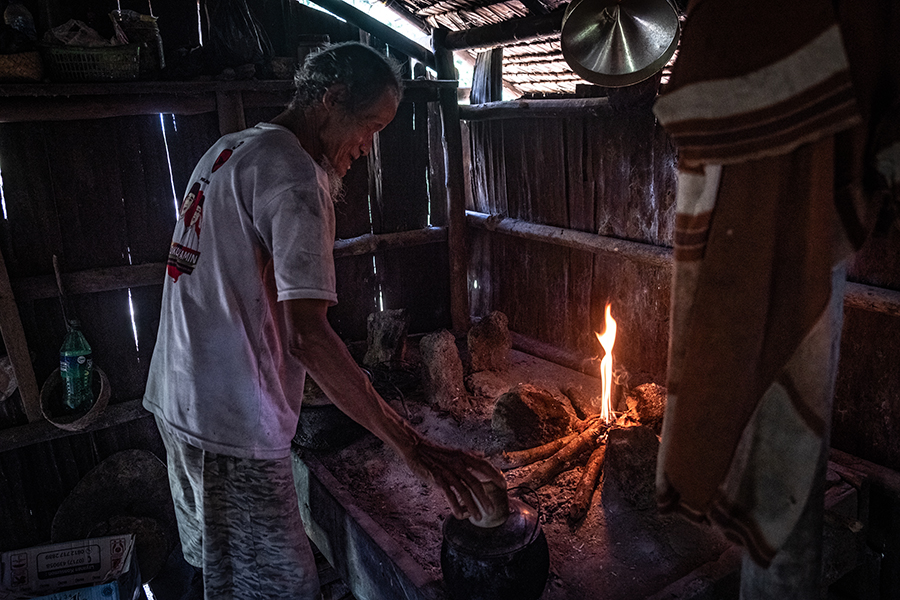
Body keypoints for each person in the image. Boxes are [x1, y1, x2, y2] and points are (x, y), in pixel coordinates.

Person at [143, 42, 505, 600]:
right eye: (369, 126)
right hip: (230, 427)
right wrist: (410, 445)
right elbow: (307, 336)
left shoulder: (231, 150)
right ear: (330, 99)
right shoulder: (294, 176)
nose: (368, 147)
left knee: (224, 575)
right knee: (281, 589)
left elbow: (246, 293)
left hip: (178, 403)